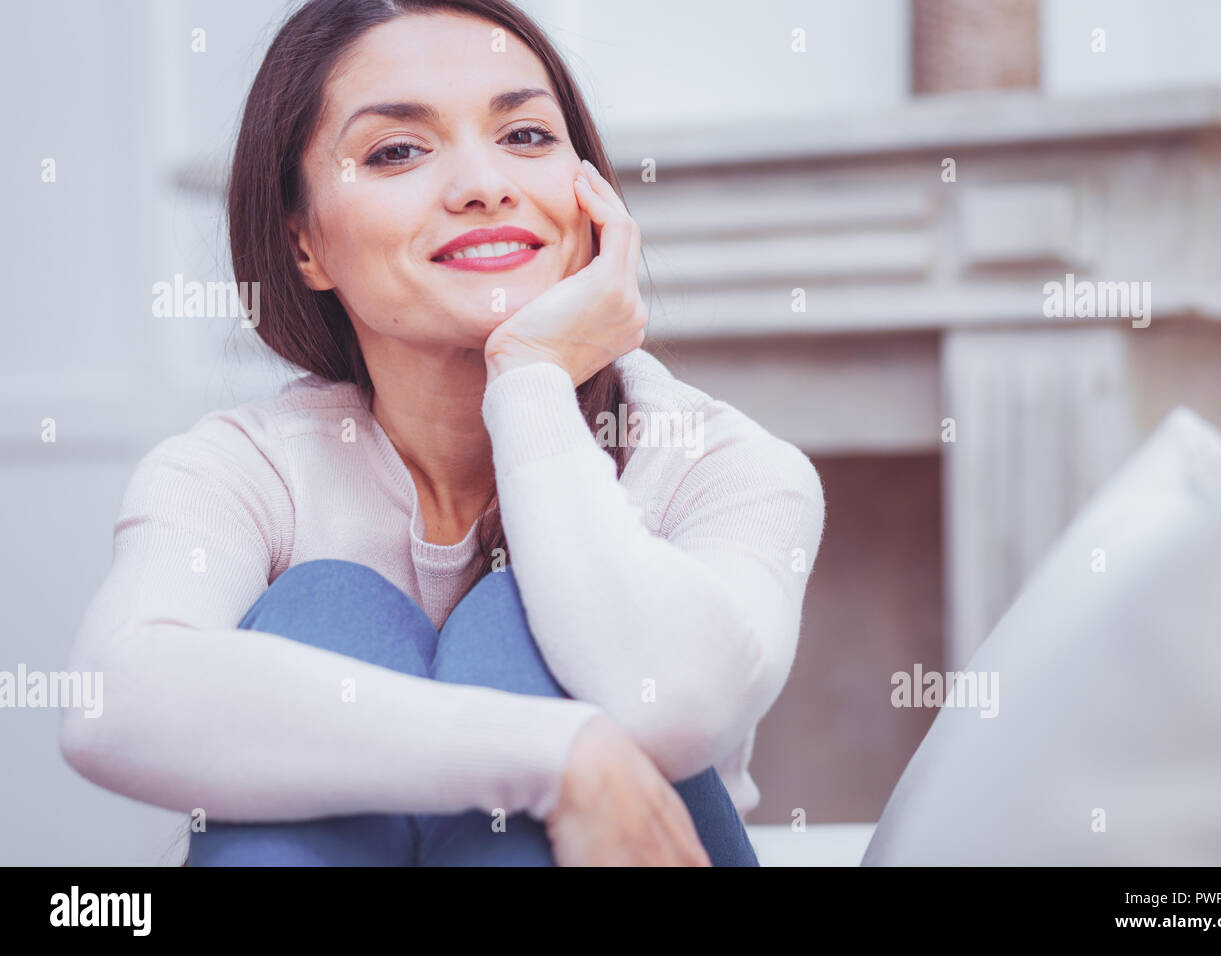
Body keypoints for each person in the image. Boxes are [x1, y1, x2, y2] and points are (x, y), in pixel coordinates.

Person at [59, 0, 826, 866]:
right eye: (398, 151)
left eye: (528, 137)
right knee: (328, 606)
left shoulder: (725, 466)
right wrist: (551, 756)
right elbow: (110, 697)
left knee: (515, 618)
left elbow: (673, 702)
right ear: (303, 241)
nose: (483, 184)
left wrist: (532, 379)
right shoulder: (240, 472)